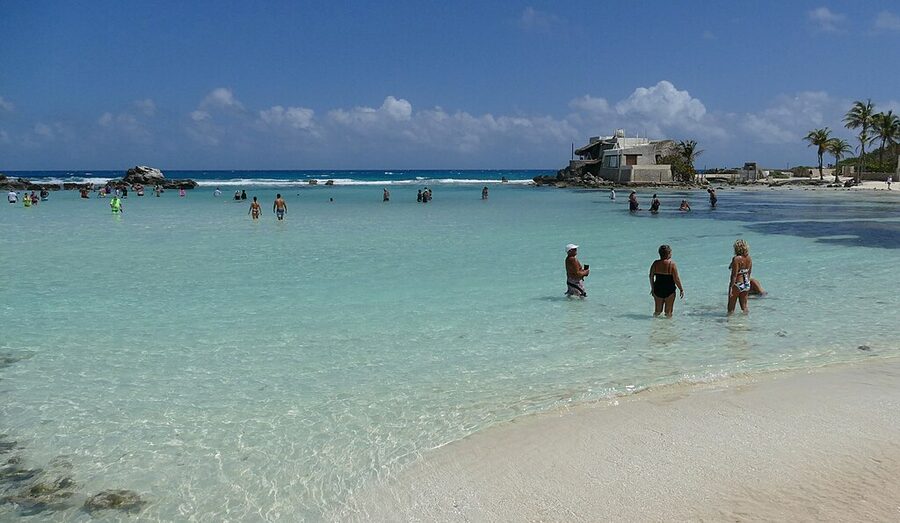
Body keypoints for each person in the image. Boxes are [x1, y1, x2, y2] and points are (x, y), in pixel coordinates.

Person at [649, 244, 684, 317]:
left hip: (657, 289)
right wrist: (681, 289)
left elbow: (651, 276)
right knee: (668, 312)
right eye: (671, 252)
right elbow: (676, 279)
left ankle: (654, 325)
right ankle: (668, 327)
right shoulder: (672, 264)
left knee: (657, 311)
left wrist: (652, 288)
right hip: (669, 290)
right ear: (668, 253)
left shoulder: (655, 263)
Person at [728, 239, 752, 315]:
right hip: (746, 283)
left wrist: (731, 288)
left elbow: (734, 275)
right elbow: (749, 272)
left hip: (738, 283)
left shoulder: (736, 259)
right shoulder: (749, 258)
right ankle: (745, 322)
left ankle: (729, 324)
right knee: (744, 307)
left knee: (731, 307)